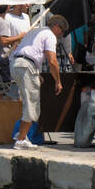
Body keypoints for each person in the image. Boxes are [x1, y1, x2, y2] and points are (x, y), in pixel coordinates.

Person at [10, 15, 68, 150]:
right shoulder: (50, 35)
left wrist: (36, 73)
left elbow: (28, 51)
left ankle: (22, 135)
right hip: (26, 66)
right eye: (62, 31)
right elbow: (52, 61)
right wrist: (58, 81)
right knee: (32, 105)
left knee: (28, 102)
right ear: (56, 27)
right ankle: (21, 139)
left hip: (18, 64)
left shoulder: (35, 30)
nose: (62, 35)